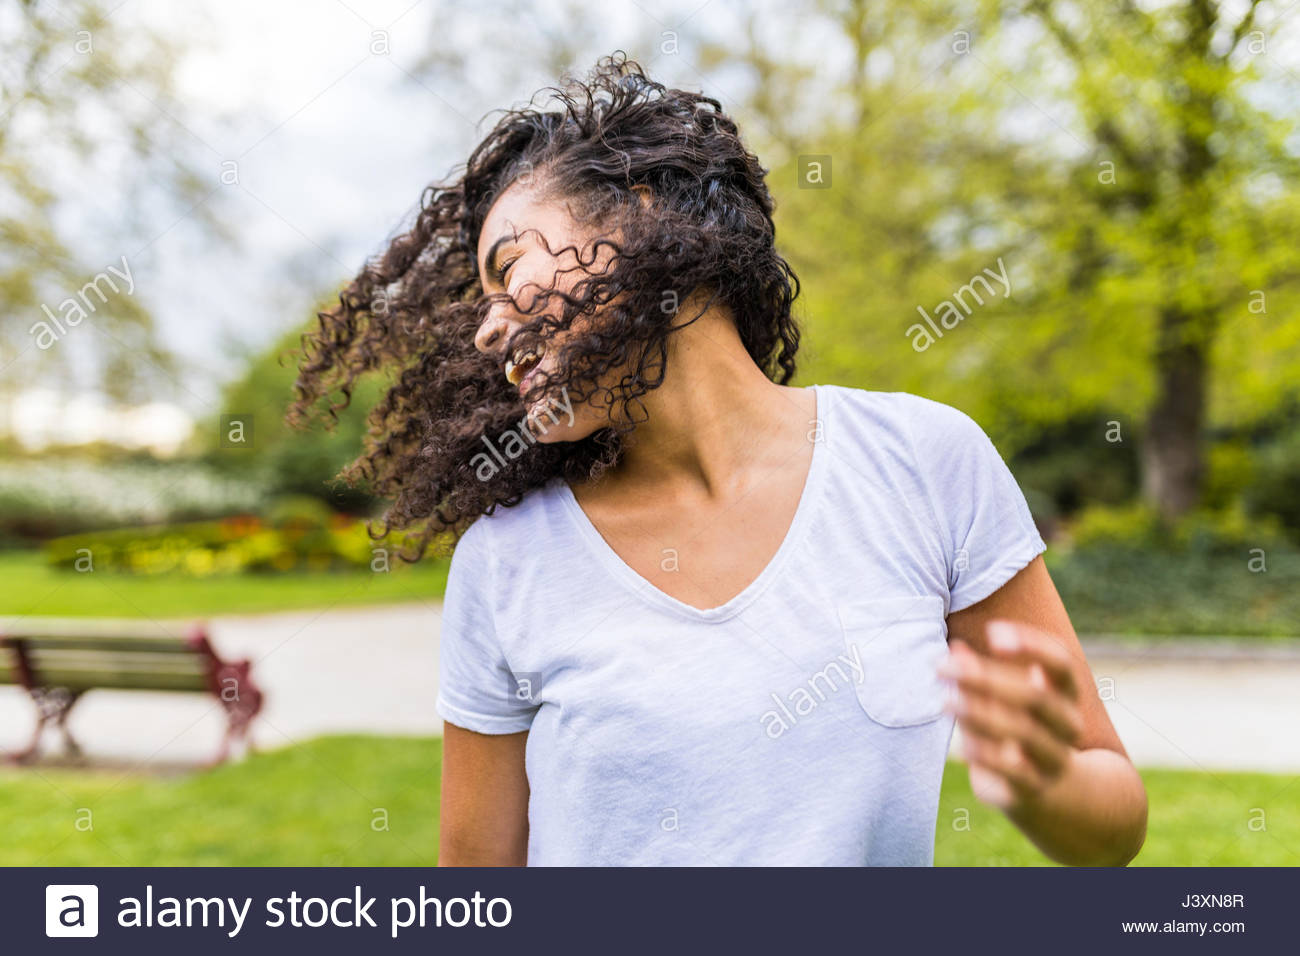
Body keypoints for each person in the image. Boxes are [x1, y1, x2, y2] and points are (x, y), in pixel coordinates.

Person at [291, 52, 1147, 867]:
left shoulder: (923, 464)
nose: (487, 332)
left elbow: (1112, 828)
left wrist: (1045, 783)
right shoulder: (509, 559)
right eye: (481, 303)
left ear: (643, 214)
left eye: (509, 269)